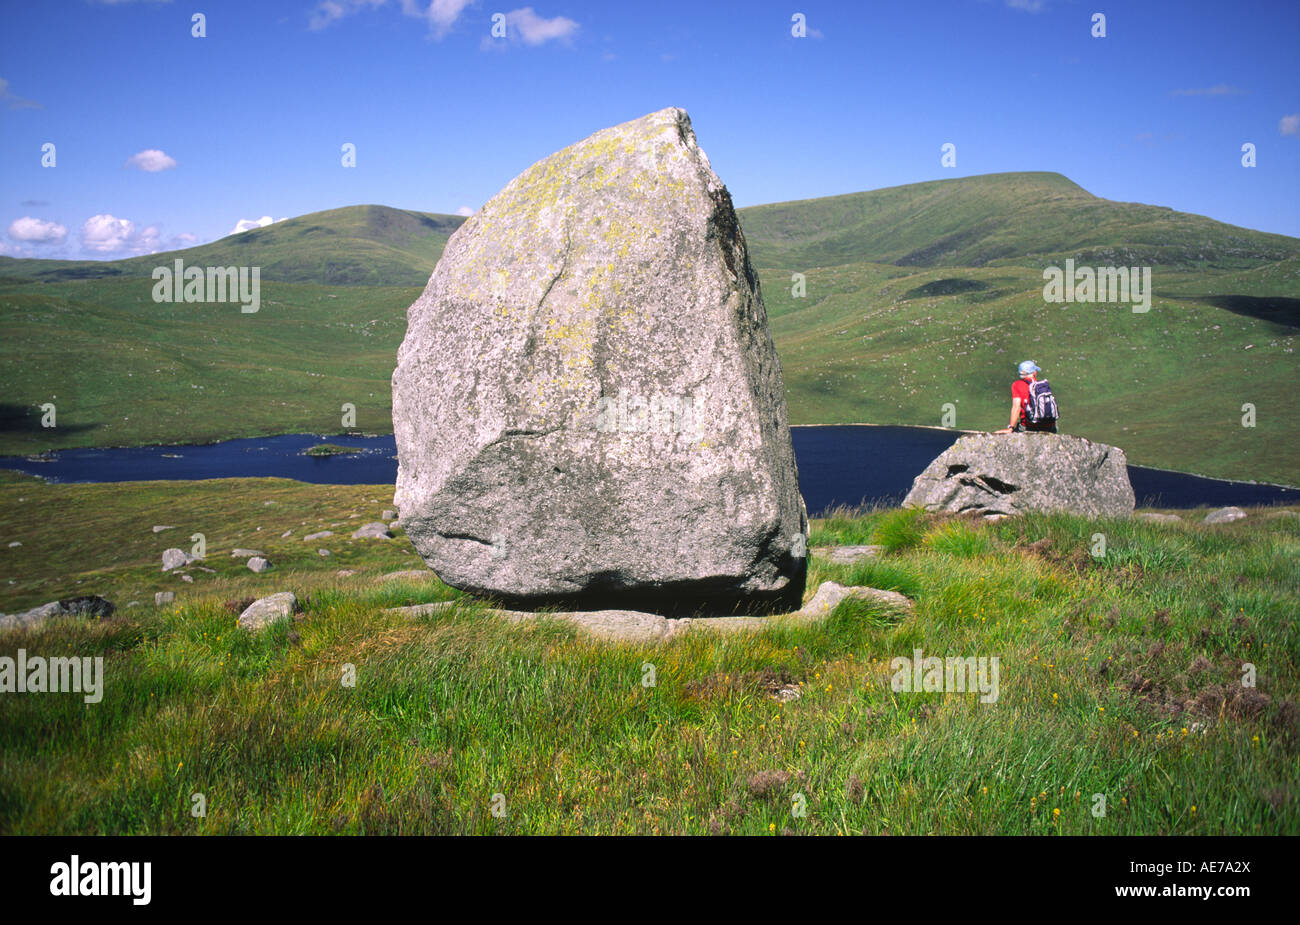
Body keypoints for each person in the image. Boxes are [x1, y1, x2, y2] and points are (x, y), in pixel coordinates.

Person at [994, 360, 1058, 434]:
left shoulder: (1017, 385)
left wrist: (1011, 427)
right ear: (1034, 373)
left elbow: (1016, 407)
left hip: (1029, 426)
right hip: (1049, 426)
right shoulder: (1042, 386)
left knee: (1019, 429)